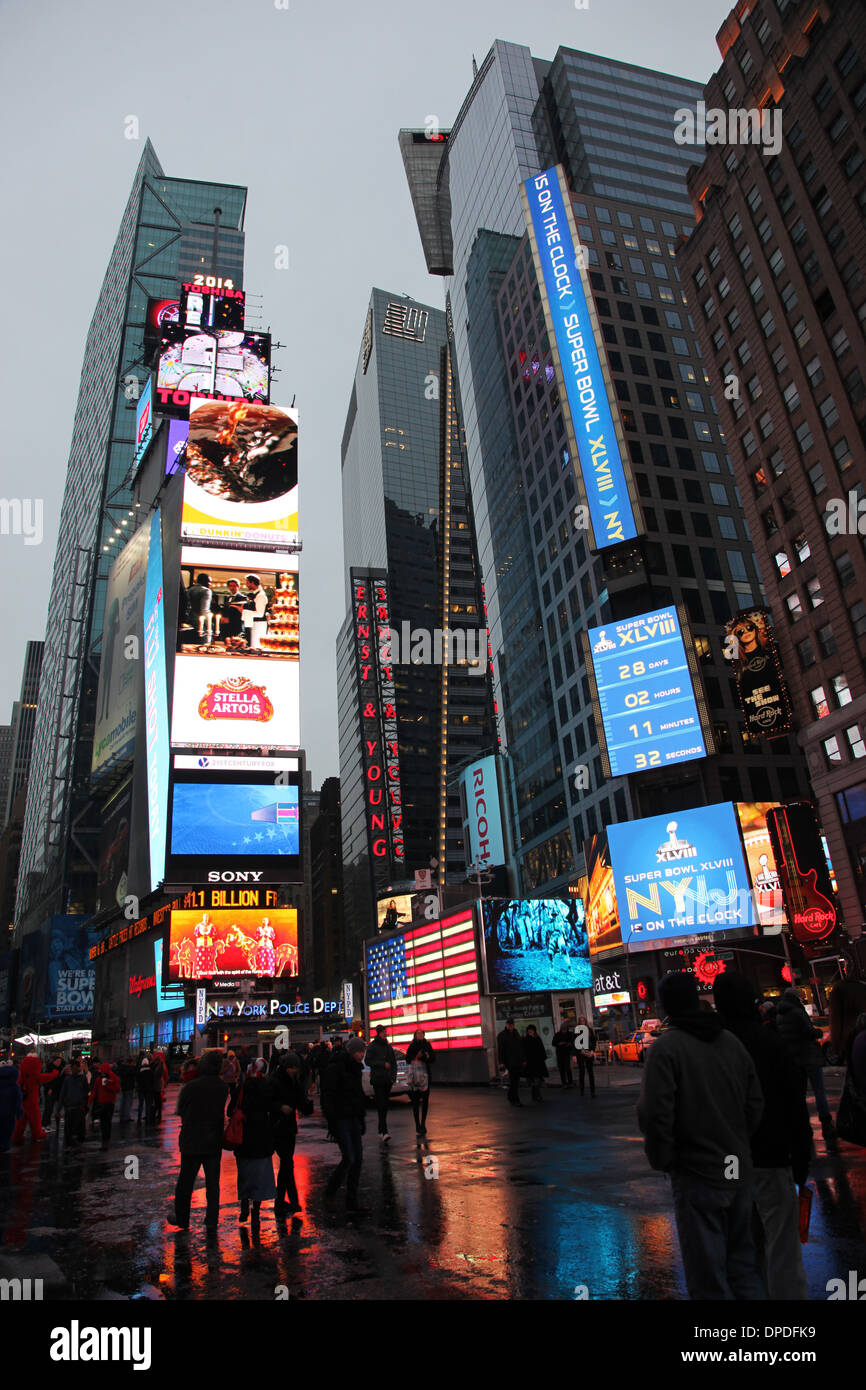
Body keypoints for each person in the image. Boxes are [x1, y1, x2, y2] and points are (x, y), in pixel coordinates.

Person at [637, 971, 766, 1300]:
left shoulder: (666, 1049)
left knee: (708, 1277)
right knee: (744, 1266)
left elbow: (655, 1114)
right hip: (736, 1166)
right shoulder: (730, 1043)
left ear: (666, 1006)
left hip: (697, 1172)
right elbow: (754, 1103)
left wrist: (666, 1161)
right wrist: (738, 1141)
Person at [713, 972, 811, 1300]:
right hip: (772, 1155)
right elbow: (794, 1102)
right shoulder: (770, 1043)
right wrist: (801, 1156)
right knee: (782, 1242)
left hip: (729, 1161)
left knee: (743, 1243)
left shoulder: (712, 1048)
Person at [170, 1049, 229, 1233]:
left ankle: (182, 1218)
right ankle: (212, 1219)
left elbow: (181, 1110)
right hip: (213, 1139)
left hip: (192, 1139)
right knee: (213, 1183)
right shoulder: (222, 1086)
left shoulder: (191, 1087)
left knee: (186, 1182)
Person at [775, 987, 836, 1147]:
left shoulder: (780, 1014)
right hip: (809, 1055)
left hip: (794, 1058)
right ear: (796, 998)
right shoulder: (797, 1012)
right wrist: (817, 1033)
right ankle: (826, 1123)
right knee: (819, 1091)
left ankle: (803, 1123)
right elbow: (808, 1032)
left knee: (800, 1092)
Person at [322, 1035, 368, 1212]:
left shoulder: (355, 1068)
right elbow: (329, 1096)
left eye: (363, 1051)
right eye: (359, 1051)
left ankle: (351, 1199)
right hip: (341, 1118)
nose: (362, 1055)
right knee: (350, 1157)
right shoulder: (336, 1068)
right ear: (352, 1051)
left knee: (357, 1158)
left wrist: (361, 1117)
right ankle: (332, 1191)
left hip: (353, 1117)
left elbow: (358, 1095)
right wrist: (332, 1121)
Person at [235, 1059, 276, 1226]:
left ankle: (244, 1203)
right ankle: (256, 1210)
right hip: (262, 1135)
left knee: (244, 1172)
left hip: (243, 1136)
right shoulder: (266, 1087)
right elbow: (272, 1107)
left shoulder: (242, 1088)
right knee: (260, 1174)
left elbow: (231, 1109)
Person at [271, 1051, 313, 1216]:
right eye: (292, 1068)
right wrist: (280, 1107)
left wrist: (306, 1106)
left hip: (288, 1126)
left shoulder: (293, 1081)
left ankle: (285, 1202)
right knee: (287, 1163)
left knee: (287, 1164)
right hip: (278, 1125)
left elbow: (299, 1100)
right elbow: (269, 1100)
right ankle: (287, 1201)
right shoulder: (276, 1080)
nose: (294, 1071)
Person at [12, 1053, 58, 1143]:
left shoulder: (21, 1076)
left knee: (21, 1121)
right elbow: (46, 1077)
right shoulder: (35, 1076)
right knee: (35, 1120)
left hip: (22, 1101)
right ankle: (37, 1134)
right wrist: (55, 1073)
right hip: (32, 1102)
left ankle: (17, 1136)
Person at [364, 1025, 397, 1142]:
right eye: (383, 1032)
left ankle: (381, 1129)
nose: (385, 1034)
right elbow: (368, 1061)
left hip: (387, 1079)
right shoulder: (373, 1046)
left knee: (384, 1105)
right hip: (378, 1078)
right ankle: (384, 1130)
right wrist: (382, 1064)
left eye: (385, 1032)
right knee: (381, 1104)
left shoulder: (388, 1046)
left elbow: (393, 1062)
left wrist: (393, 1077)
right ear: (379, 1033)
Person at [405, 1029, 435, 1135]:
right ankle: (417, 1124)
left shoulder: (427, 1045)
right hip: (415, 1077)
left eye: (421, 1033)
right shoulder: (412, 1046)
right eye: (418, 1033)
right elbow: (407, 1058)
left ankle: (423, 1123)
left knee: (425, 1102)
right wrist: (416, 1057)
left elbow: (433, 1058)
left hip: (425, 1076)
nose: (420, 1035)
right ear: (415, 1035)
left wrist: (427, 1056)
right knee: (415, 1103)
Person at [57, 1058, 90, 1145]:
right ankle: (70, 1145)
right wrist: (58, 1109)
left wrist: (86, 1104)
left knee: (78, 1130)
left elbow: (86, 1091)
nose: (74, 1070)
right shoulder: (68, 1079)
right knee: (69, 1130)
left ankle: (75, 1144)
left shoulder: (82, 1078)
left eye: (76, 1068)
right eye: (73, 1068)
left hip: (78, 1107)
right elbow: (62, 1094)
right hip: (70, 1107)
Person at [89, 1061, 121, 1151]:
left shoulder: (112, 1078)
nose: (102, 1074)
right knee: (104, 1123)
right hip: (103, 1103)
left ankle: (106, 1141)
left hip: (109, 1103)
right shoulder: (99, 1079)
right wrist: (89, 1101)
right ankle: (105, 1140)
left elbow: (117, 1089)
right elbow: (94, 1091)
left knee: (106, 1123)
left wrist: (108, 1085)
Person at [497, 1019, 526, 1106]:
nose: (510, 1026)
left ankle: (511, 1097)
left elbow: (520, 1047)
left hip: (517, 1060)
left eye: (512, 1024)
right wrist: (501, 1062)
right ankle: (515, 1099)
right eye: (509, 1024)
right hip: (509, 1061)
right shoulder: (502, 1035)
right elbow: (501, 1049)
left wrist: (523, 1059)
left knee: (515, 1080)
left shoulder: (516, 1033)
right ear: (506, 1025)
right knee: (514, 1080)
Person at [0, 1061, 23, 1153]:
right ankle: (4, 1145)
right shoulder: (14, 1087)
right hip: (9, 1113)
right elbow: (18, 1100)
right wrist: (19, 1112)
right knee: (7, 1130)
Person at [523, 1025, 548, 1103]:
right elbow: (524, 1051)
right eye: (529, 1030)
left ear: (534, 1031)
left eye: (531, 1030)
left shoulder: (537, 1038)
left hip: (538, 1062)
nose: (530, 1031)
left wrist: (543, 1057)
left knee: (536, 1080)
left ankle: (535, 1096)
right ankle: (537, 1096)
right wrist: (524, 1060)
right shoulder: (526, 1039)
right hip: (531, 1063)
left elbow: (541, 1048)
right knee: (535, 1080)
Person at [575, 1016, 597, 1098]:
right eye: (580, 1021)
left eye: (583, 1021)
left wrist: (592, 1050)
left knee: (590, 1072)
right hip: (581, 1053)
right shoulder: (577, 1030)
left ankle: (592, 1091)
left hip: (588, 1052)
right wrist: (575, 1054)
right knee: (582, 1072)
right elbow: (574, 1042)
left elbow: (593, 1041)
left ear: (585, 1021)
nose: (582, 1022)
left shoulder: (589, 1030)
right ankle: (582, 1090)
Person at [551, 1022, 576, 1088]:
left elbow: (573, 1042)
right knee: (561, 1068)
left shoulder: (569, 1034)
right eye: (563, 1029)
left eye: (565, 1029)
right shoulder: (557, 1034)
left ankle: (570, 1082)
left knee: (567, 1068)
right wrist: (559, 1043)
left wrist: (569, 1044)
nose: (564, 1031)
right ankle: (564, 1083)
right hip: (560, 1053)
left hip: (567, 1053)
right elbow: (553, 1043)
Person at [42, 1055, 64, 1128]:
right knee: (48, 1108)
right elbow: (45, 1080)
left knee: (56, 1109)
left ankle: (49, 1124)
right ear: (54, 1061)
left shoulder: (60, 1069)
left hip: (58, 1091)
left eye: (60, 1061)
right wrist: (49, 1088)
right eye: (57, 1061)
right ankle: (45, 1124)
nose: (59, 1063)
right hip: (51, 1091)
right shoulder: (49, 1068)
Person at [150, 1050, 168, 1123]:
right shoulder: (162, 1066)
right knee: (158, 1099)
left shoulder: (156, 1066)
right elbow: (165, 1075)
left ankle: (155, 1114)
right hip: (159, 1085)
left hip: (156, 1085)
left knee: (156, 1100)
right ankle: (158, 1114)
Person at [117, 1057, 137, 1123]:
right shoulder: (131, 1069)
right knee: (128, 1102)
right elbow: (135, 1073)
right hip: (129, 1087)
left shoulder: (122, 1068)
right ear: (131, 1063)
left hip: (123, 1086)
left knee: (123, 1101)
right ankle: (127, 1116)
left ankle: (122, 1116)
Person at [136, 1058, 155, 1125]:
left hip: (141, 1090)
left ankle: (139, 1118)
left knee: (140, 1104)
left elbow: (137, 1081)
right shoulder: (151, 1072)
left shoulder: (139, 1072)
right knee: (148, 1105)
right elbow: (153, 1081)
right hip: (148, 1090)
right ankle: (147, 1118)